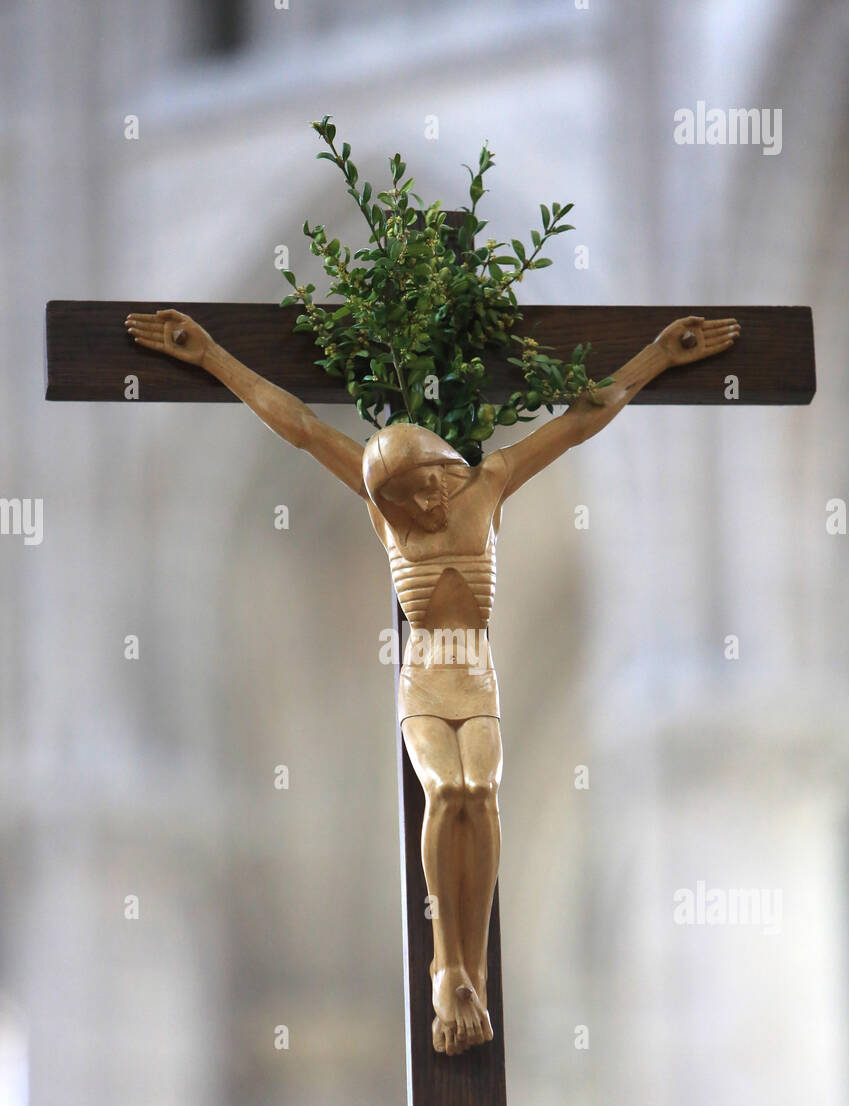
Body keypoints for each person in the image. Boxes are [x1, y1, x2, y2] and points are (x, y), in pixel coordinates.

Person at [125, 307, 739, 1053]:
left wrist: (657, 359)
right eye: (405, 496)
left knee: (481, 793)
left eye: (428, 486)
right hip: (422, 683)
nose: (424, 505)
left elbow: (579, 422)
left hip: (478, 680)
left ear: (445, 467)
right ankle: (447, 963)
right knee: (445, 793)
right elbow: (297, 426)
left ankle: (469, 963)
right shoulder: (391, 522)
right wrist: (212, 357)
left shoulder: (488, 487)